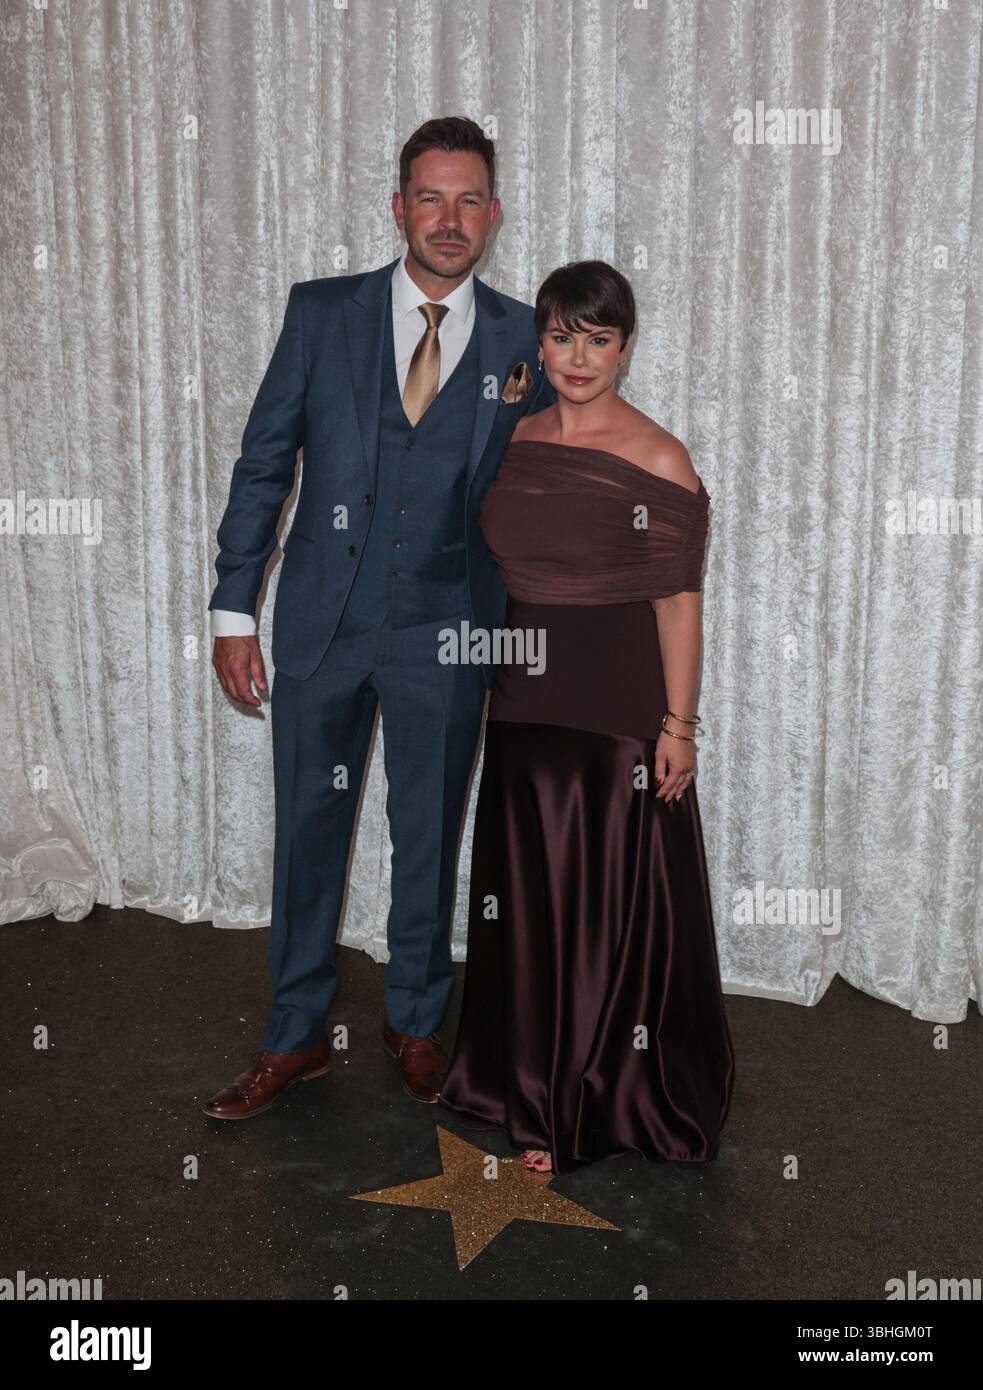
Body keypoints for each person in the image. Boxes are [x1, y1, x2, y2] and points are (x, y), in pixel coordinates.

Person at [202, 117, 555, 1119]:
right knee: (307, 831)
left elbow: (548, 484)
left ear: (492, 213)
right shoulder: (322, 314)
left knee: (428, 830)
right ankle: (294, 1035)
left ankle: (415, 1021)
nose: (449, 219)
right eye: (430, 198)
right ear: (399, 207)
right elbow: (265, 462)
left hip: (451, 627)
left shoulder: (522, 337)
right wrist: (233, 609)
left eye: (468, 200)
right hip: (324, 621)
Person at [439, 261, 735, 1174]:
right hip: (520, 705)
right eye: (562, 336)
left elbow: (677, 604)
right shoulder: (511, 436)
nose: (577, 356)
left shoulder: (657, 455)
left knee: (598, 912)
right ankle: (523, 1083)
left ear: (625, 348)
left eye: (597, 339)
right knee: (529, 908)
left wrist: (677, 727)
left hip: (614, 718)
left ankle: (584, 1099)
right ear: (540, 342)